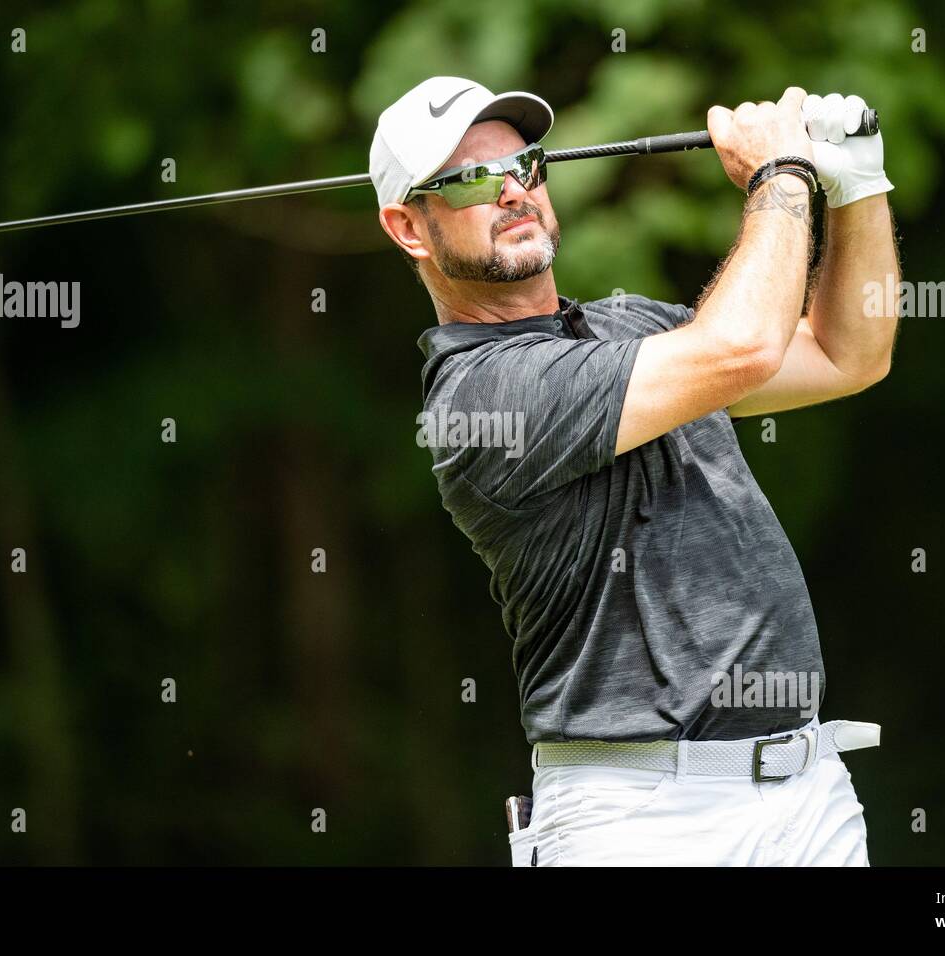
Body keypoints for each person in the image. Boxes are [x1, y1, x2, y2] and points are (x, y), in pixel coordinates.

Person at [370, 76, 899, 866]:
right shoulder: (482, 398)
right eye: (472, 179)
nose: (513, 190)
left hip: (806, 795)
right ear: (409, 227)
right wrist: (782, 174)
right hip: (643, 821)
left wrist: (855, 183)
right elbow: (740, 346)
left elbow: (847, 355)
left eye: (527, 165)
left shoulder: (630, 328)